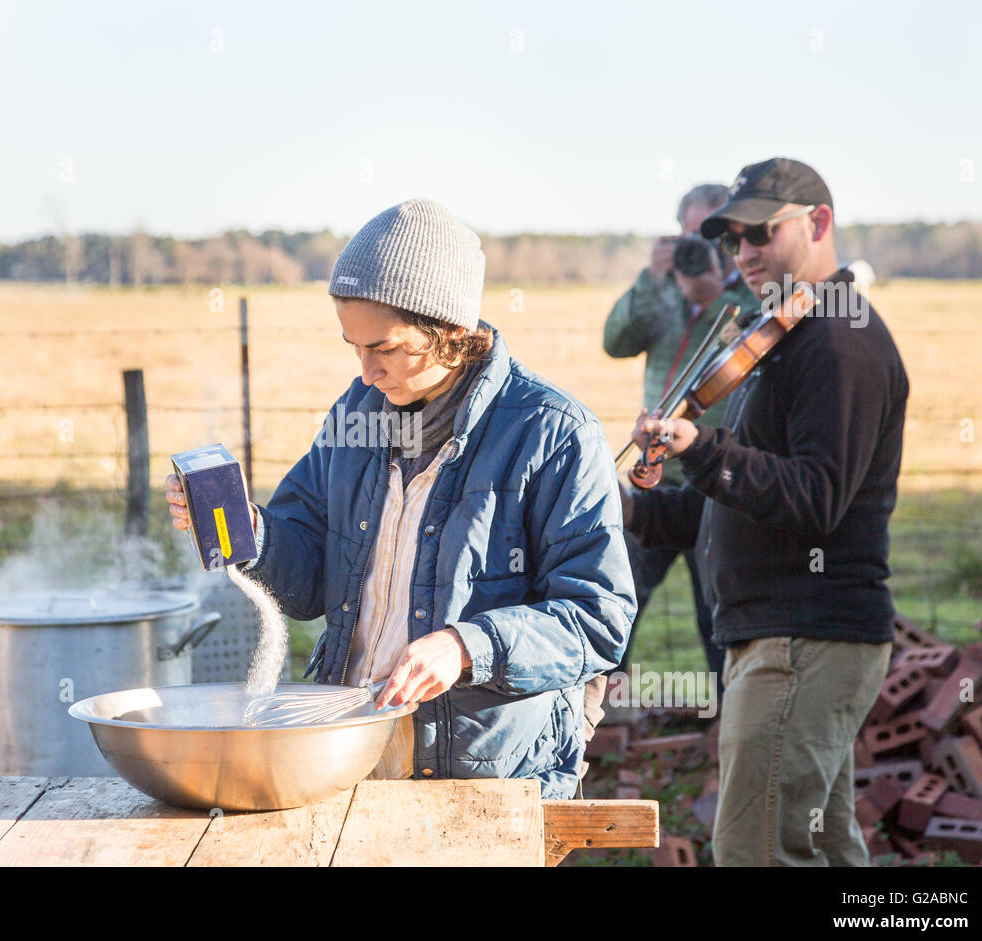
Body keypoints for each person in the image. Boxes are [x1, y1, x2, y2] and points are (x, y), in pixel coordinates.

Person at [166, 198, 635, 799]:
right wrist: (250, 532)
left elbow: (599, 618)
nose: (365, 373)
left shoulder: (554, 434)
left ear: (452, 334)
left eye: (384, 348)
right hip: (346, 758)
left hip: (481, 777)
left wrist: (470, 646)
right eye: (352, 346)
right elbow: (307, 585)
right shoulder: (354, 415)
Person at [620, 158, 909, 865]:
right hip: (785, 641)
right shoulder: (782, 342)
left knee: (757, 854)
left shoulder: (840, 342)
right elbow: (724, 510)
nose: (744, 254)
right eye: (732, 241)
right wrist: (629, 506)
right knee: (824, 853)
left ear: (818, 223)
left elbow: (815, 499)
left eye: (761, 233)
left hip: (802, 643)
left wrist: (705, 448)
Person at [603, 184, 759, 687]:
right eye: (691, 235)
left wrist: (715, 299)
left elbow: (745, 348)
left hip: (715, 475)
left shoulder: (748, 297)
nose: (702, 247)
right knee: (616, 596)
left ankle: (727, 714)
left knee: (717, 607)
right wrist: (652, 278)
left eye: (714, 234)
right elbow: (615, 341)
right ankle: (597, 715)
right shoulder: (664, 287)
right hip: (654, 475)